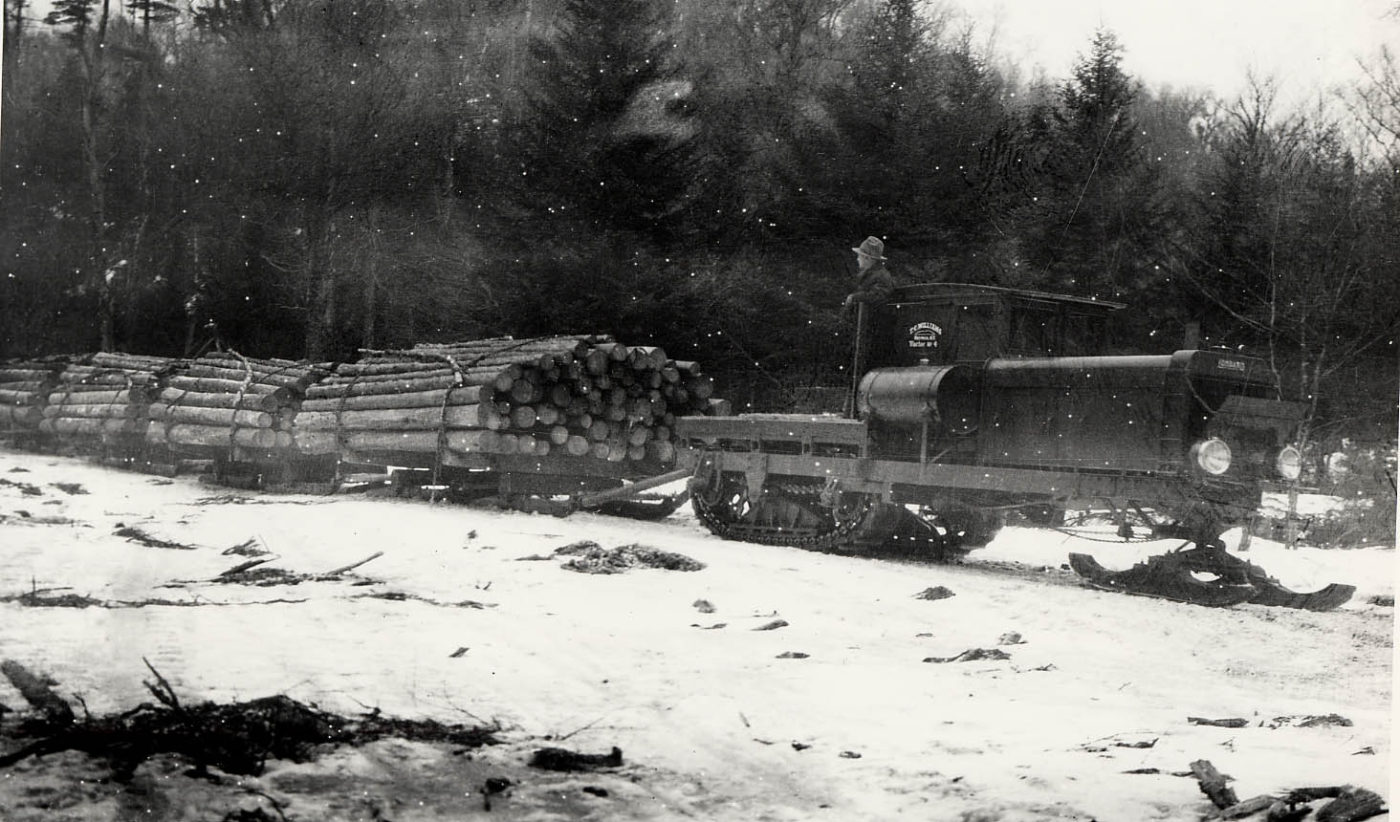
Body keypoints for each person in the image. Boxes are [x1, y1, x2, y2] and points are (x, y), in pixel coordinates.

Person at [843, 236, 894, 310]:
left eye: (859, 256)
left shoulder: (881, 275)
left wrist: (854, 297)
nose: (857, 259)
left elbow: (878, 296)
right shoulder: (869, 273)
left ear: (867, 258)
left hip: (872, 317)